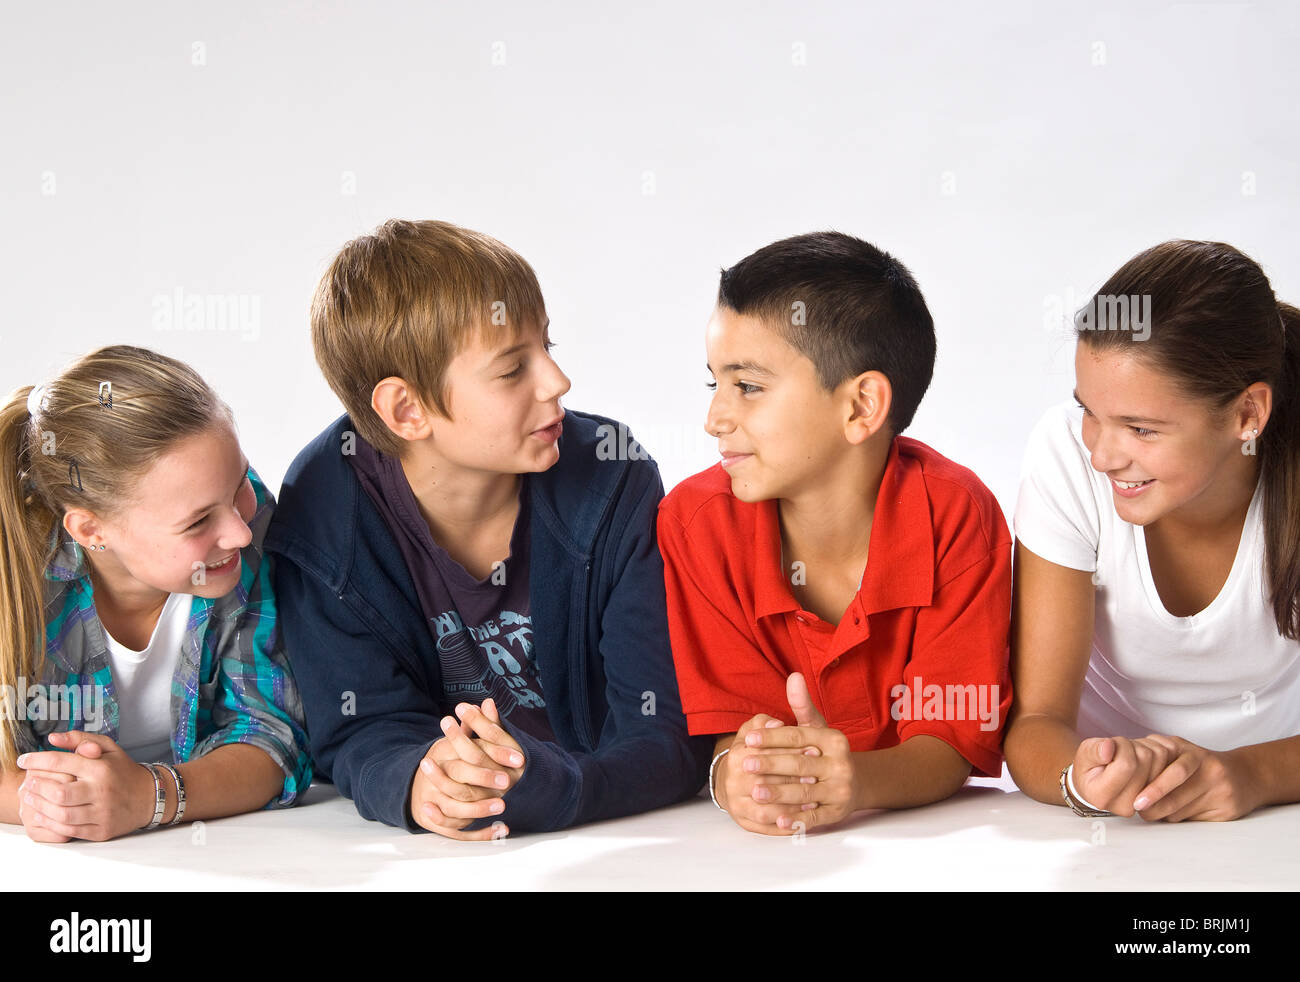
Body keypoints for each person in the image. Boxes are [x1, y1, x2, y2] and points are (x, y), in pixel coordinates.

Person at [265, 218, 711, 839]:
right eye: (512, 369)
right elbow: (360, 728)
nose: (558, 382)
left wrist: (563, 791)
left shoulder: (611, 475)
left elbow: (664, 727)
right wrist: (422, 779)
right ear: (407, 410)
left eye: (548, 348)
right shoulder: (324, 514)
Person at [658, 231, 1013, 836]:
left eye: (747, 385)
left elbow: (950, 745)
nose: (714, 417)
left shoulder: (957, 515)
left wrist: (858, 781)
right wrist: (732, 779)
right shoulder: (697, 524)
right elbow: (731, 731)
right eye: (713, 383)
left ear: (860, 408)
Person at [1007, 239, 1300, 822]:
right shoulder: (1064, 454)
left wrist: (1251, 774)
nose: (1102, 455)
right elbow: (1036, 723)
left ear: (1248, 415)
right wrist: (1083, 780)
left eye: (1141, 429)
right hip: (1110, 838)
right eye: (1089, 410)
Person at [0, 345, 312, 842]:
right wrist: (48, 804)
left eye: (239, 486)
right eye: (198, 522)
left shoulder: (248, 530)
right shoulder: (17, 573)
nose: (241, 532)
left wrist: (150, 796)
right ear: (90, 529)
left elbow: (271, 736)